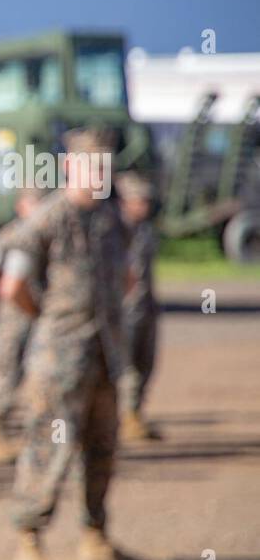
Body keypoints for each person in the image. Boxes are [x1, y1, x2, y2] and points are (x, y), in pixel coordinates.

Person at [0, 129, 132, 560]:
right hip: (58, 359)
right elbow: (11, 286)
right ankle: (29, 540)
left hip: (104, 357)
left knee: (102, 448)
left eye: (104, 168)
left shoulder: (113, 221)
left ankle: (95, 536)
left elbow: (128, 279)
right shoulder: (45, 220)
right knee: (48, 447)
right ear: (70, 169)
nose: (98, 176)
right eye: (90, 167)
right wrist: (48, 322)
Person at [0, 186, 42, 462]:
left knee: (41, 376)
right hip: (13, 315)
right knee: (6, 371)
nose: (37, 209)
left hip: (41, 314)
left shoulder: (46, 234)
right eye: (32, 203)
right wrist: (1, 304)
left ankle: (40, 436)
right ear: (20, 206)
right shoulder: (8, 237)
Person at [115, 171, 161, 442]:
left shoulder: (145, 230)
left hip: (146, 308)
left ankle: (135, 413)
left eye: (146, 200)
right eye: (138, 200)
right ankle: (125, 416)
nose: (144, 206)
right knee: (127, 366)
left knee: (146, 363)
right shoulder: (112, 232)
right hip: (123, 311)